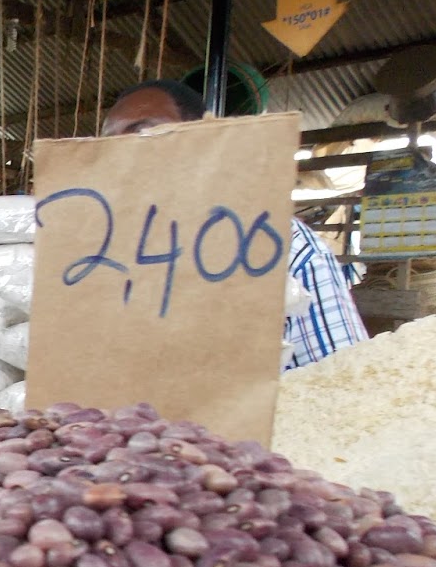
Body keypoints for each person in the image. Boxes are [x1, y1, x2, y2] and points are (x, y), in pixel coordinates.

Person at [101, 79, 367, 370]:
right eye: (108, 142)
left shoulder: (282, 243)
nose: (121, 153)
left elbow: (338, 379)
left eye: (142, 133)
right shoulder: (88, 250)